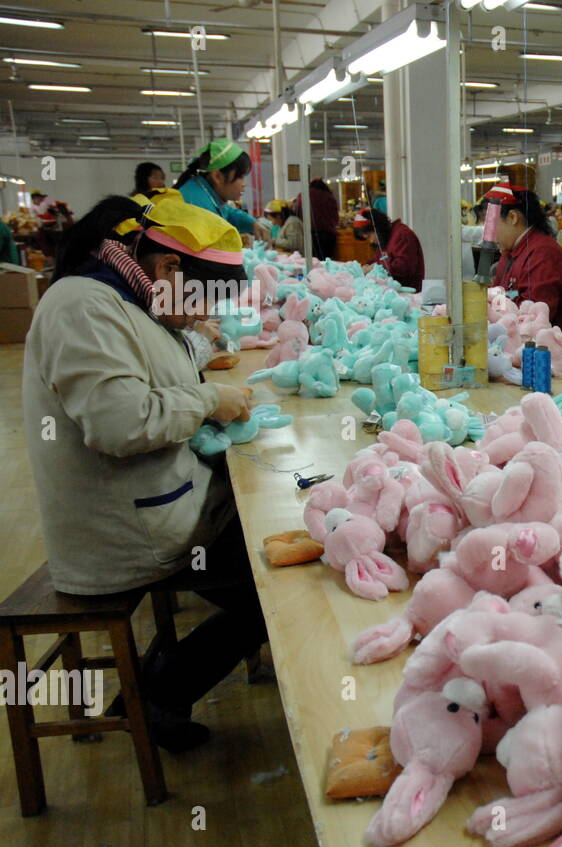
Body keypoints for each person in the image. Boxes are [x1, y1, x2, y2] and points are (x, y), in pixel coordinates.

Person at [22, 191, 267, 751]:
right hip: (131, 531)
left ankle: (158, 683)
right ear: (168, 267)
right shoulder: (82, 307)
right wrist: (206, 401)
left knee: (273, 544)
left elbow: (155, 362)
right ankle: (156, 695)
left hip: (159, 503)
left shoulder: (127, 299)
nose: (203, 316)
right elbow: (118, 425)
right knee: (277, 589)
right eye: (204, 302)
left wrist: (203, 358)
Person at [490, 184, 562, 348]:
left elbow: (533, 318)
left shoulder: (544, 254)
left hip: (555, 354)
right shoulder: (510, 252)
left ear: (513, 218)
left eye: (493, 224)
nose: (490, 233)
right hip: (517, 345)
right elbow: (496, 295)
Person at [175, 139, 267, 244]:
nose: (243, 184)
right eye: (240, 177)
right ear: (217, 176)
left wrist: (251, 223)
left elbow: (226, 211)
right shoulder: (199, 207)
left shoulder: (203, 192)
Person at [353, 207, 425, 290]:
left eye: (369, 236)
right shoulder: (385, 239)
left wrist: (374, 267)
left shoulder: (402, 235)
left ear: (377, 228)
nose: (371, 241)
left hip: (407, 293)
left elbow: (403, 268)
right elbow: (378, 259)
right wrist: (364, 267)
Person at [307, 179, 340, 260]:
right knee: (327, 261)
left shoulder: (305, 195)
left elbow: (298, 211)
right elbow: (335, 217)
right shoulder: (329, 197)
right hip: (329, 235)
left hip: (311, 234)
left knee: (314, 261)